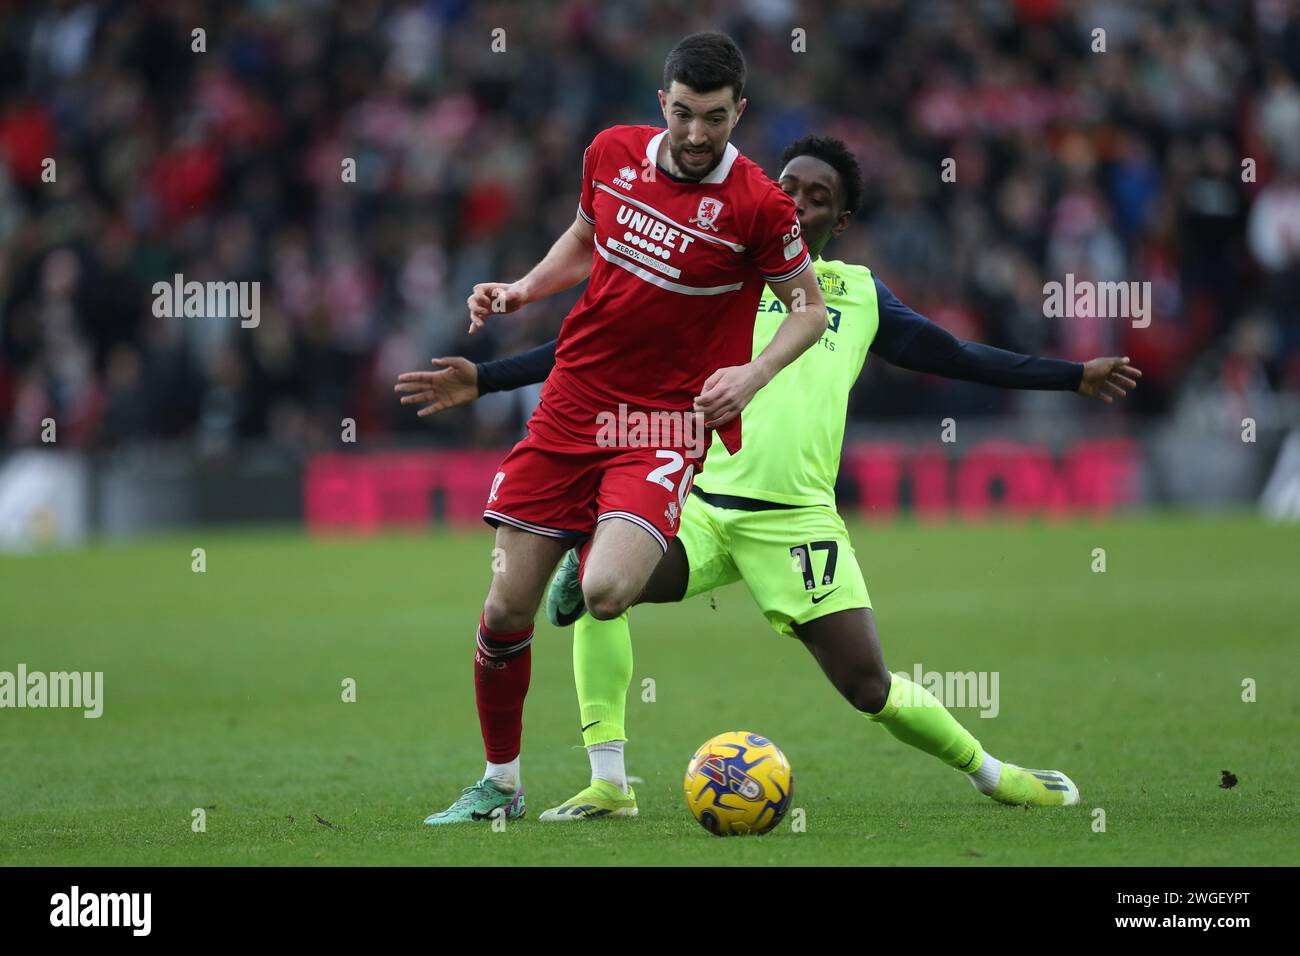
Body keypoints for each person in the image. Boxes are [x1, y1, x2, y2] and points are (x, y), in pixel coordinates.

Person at [399, 134, 1141, 820]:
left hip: (794, 521)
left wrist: (1072, 375)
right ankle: (609, 782)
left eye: (818, 196)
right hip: (695, 499)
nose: (797, 201)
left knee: (867, 686)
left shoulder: (856, 295)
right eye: (788, 186)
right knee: (602, 595)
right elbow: (590, 345)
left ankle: (995, 774)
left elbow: (959, 356)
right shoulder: (718, 266)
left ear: (842, 218)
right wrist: (489, 378)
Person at [400, 33, 829, 824]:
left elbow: (811, 309)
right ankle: (500, 785)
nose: (697, 135)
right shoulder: (610, 153)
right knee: (502, 613)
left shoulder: (760, 206)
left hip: (665, 423)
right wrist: (524, 289)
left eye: (714, 118)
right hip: (572, 406)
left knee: (602, 592)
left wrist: (752, 373)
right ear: (660, 102)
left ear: (741, 111)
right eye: (682, 114)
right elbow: (588, 238)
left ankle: (597, 540)